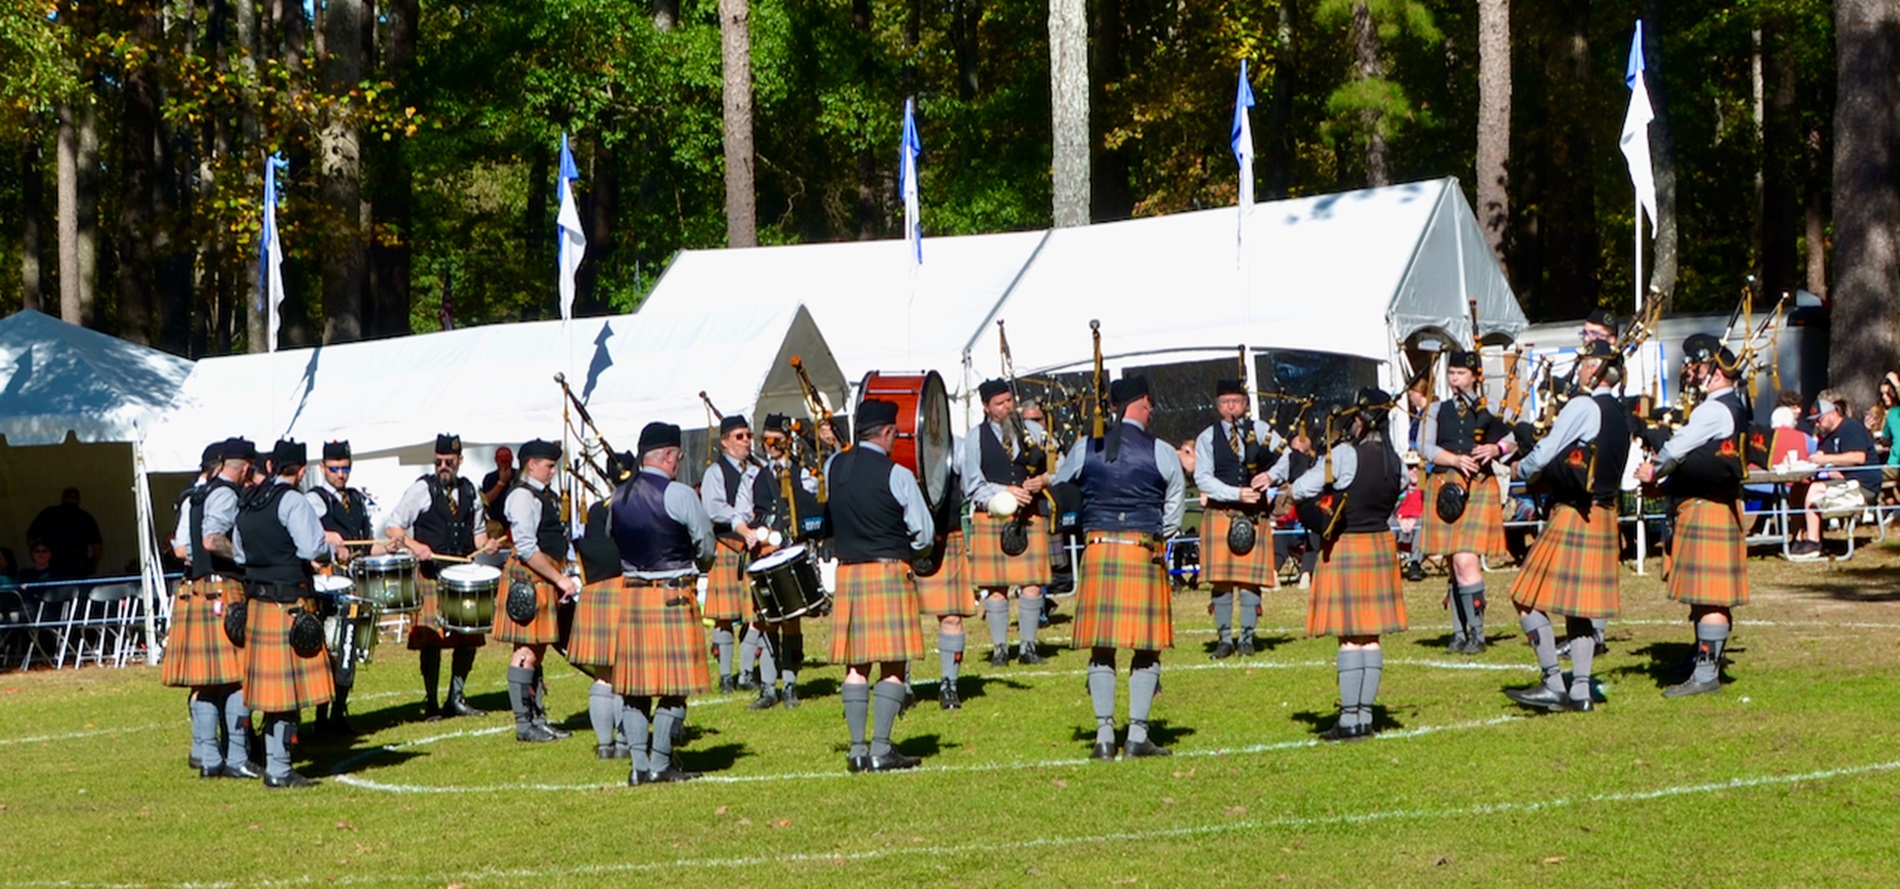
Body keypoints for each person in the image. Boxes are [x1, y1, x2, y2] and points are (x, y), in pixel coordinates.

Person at [1054, 375, 1187, 761]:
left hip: (1098, 550)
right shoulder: (1161, 450)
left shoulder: (1084, 447)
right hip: (1142, 550)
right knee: (1146, 647)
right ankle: (1137, 737)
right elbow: (1174, 511)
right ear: (1140, 403)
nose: (1151, 412)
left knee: (1102, 646)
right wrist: (1149, 532)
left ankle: (1103, 737)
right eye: (1149, 405)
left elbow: (1062, 491)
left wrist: (1090, 520)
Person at [1503, 342, 1629, 713]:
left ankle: (1553, 683)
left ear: (1594, 368)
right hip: (1605, 513)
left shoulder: (1583, 405)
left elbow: (1545, 453)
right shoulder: (1619, 414)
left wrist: (1519, 470)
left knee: (1524, 596)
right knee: (1579, 609)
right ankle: (1581, 691)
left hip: (1575, 512)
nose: (1579, 370)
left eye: (1584, 363)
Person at [1636, 334, 1751, 698]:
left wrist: (1653, 470)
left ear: (1717, 373)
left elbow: (1675, 449)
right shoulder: (1731, 405)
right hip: (1711, 506)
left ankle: (1706, 674)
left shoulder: (1714, 409)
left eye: (1699, 366)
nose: (1692, 372)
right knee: (1705, 596)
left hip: (1706, 509)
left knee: (1711, 595)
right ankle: (1701, 662)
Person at [825, 398, 935, 772]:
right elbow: (924, 533)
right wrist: (910, 549)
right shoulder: (897, 473)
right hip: (888, 572)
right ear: (887, 432)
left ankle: (857, 750)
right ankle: (881, 748)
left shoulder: (833, 467)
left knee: (856, 665)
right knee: (892, 662)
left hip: (849, 573)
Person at [1291, 389, 1408, 742]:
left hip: (1345, 547)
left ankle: (1348, 717)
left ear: (1359, 419)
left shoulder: (1343, 455)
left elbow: (1299, 489)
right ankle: (1365, 718)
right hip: (1379, 546)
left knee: (1348, 638)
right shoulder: (1394, 460)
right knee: (1370, 637)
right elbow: (1398, 492)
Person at [611, 423, 717, 784]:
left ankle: (639, 767)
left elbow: (613, 538)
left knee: (635, 688)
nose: (678, 464)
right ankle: (660, 763)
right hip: (672, 595)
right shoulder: (681, 494)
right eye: (678, 457)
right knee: (674, 685)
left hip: (634, 598)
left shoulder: (619, 496)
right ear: (669, 455)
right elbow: (706, 544)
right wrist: (700, 567)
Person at [233, 440, 337, 788]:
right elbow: (312, 550)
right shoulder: (294, 501)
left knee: (271, 695)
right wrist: (330, 549)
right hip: (288, 605)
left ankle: (273, 762)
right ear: (302, 470)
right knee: (286, 695)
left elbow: (240, 555)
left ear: (271, 464)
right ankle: (279, 768)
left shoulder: (247, 501)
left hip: (258, 606)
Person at [383, 434, 500, 720]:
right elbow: (393, 527)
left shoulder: (470, 491)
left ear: (460, 461)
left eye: (449, 461)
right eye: (439, 462)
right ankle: (432, 701)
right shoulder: (422, 490)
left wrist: (488, 545)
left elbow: (478, 536)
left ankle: (456, 698)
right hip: (432, 575)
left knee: (466, 637)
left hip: (461, 575)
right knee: (431, 640)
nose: (443, 466)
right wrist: (415, 545)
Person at [164, 440, 257, 780]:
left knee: (204, 682)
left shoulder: (192, 495)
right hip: (223, 590)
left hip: (193, 590)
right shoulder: (227, 494)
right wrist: (247, 558)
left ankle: (207, 757)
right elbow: (211, 540)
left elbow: (181, 548)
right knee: (236, 678)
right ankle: (237, 757)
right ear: (244, 466)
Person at [1417, 350, 1514, 655]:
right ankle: (1459, 634)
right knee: (1451, 560)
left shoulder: (1491, 409)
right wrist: (1455, 459)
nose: (1454, 379)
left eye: (1460, 373)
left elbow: (1514, 438)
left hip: (1479, 486)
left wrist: (1495, 449)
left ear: (1475, 375)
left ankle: (1478, 634)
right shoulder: (1436, 409)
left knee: (1465, 560)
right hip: (1445, 482)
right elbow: (1424, 447)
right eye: (1451, 373)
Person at [962, 379, 1054, 669]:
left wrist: (1045, 479)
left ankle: (1027, 647)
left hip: (1030, 516)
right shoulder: (974, 439)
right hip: (993, 516)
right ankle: (1000, 649)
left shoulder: (1035, 431)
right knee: (995, 585)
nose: (1006, 407)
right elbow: (971, 485)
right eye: (999, 403)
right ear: (986, 407)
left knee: (1032, 583)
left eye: (1008, 401)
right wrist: (1003, 492)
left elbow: (1061, 463)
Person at [1191, 378, 1285, 659]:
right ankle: (1223, 639)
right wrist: (1235, 493)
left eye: (1236, 401)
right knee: (1220, 580)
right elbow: (1203, 478)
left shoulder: (1263, 431)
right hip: (1221, 512)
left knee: (1249, 581)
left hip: (1254, 516)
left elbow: (1288, 456)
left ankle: (1246, 638)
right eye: (1225, 402)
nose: (1231, 407)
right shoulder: (1207, 437)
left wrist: (1272, 476)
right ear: (1217, 406)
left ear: (1245, 403)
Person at [495, 438, 581, 742]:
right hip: (530, 580)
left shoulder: (543, 495)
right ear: (532, 464)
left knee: (538, 651)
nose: (552, 470)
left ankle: (537, 718)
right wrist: (559, 579)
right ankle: (524, 724)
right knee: (526, 651)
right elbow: (528, 548)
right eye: (548, 465)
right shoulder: (521, 496)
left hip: (544, 577)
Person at [747, 414, 825, 710]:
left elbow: (816, 501)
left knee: (791, 621)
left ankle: (790, 685)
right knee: (767, 621)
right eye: (764, 440)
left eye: (774, 440)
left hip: (794, 550)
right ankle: (768, 688)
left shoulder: (803, 473)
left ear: (787, 441)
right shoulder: (755, 475)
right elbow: (746, 512)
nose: (768, 446)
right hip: (765, 552)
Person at [305, 440, 380, 736]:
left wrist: (387, 547)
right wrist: (327, 538)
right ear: (323, 468)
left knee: (349, 647)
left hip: (354, 584)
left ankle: (338, 712)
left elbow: (367, 542)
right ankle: (322, 716)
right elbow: (305, 534)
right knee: (330, 648)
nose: (340, 474)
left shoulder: (358, 500)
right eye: (334, 468)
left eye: (345, 468)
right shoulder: (314, 499)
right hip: (328, 582)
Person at [571, 450, 635, 759]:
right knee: (625, 673)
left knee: (602, 674)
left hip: (595, 594)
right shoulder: (637, 506)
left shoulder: (595, 510)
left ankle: (604, 745)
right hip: (625, 590)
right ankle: (624, 743)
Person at [700, 414, 761, 692]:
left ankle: (746, 673)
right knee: (724, 615)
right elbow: (713, 508)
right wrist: (739, 519)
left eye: (748, 435)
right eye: (739, 436)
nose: (746, 441)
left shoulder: (757, 468)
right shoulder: (716, 472)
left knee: (755, 612)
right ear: (724, 442)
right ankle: (725, 676)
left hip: (754, 548)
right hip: (727, 545)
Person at [920, 431, 975, 709]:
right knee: (903, 617)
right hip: (903, 539)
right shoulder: (895, 444)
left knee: (952, 615)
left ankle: (949, 684)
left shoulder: (957, 445)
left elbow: (968, 484)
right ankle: (900, 684)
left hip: (947, 534)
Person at [1791, 389, 1879, 559]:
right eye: (1815, 422)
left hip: (1863, 485)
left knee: (1815, 490)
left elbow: (1859, 457)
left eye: (1819, 420)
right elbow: (1823, 455)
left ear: (1832, 415)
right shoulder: (1828, 436)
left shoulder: (1851, 428)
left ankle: (1814, 542)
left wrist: (1826, 461)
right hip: (1845, 481)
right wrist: (1818, 459)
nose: (1817, 425)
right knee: (1798, 489)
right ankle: (1797, 538)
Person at [27, 487, 103, 579]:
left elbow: (31, 537)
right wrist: (92, 565)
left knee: (52, 591)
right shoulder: (86, 518)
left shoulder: (48, 514)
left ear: (62, 498)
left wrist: (37, 556)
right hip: (77, 564)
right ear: (78, 500)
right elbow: (97, 547)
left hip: (52, 563)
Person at [480, 445, 516, 543]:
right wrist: (501, 482)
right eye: (502, 462)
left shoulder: (518, 476)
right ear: (496, 461)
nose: (505, 465)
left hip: (514, 524)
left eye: (507, 462)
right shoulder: (490, 478)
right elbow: (486, 500)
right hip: (496, 526)